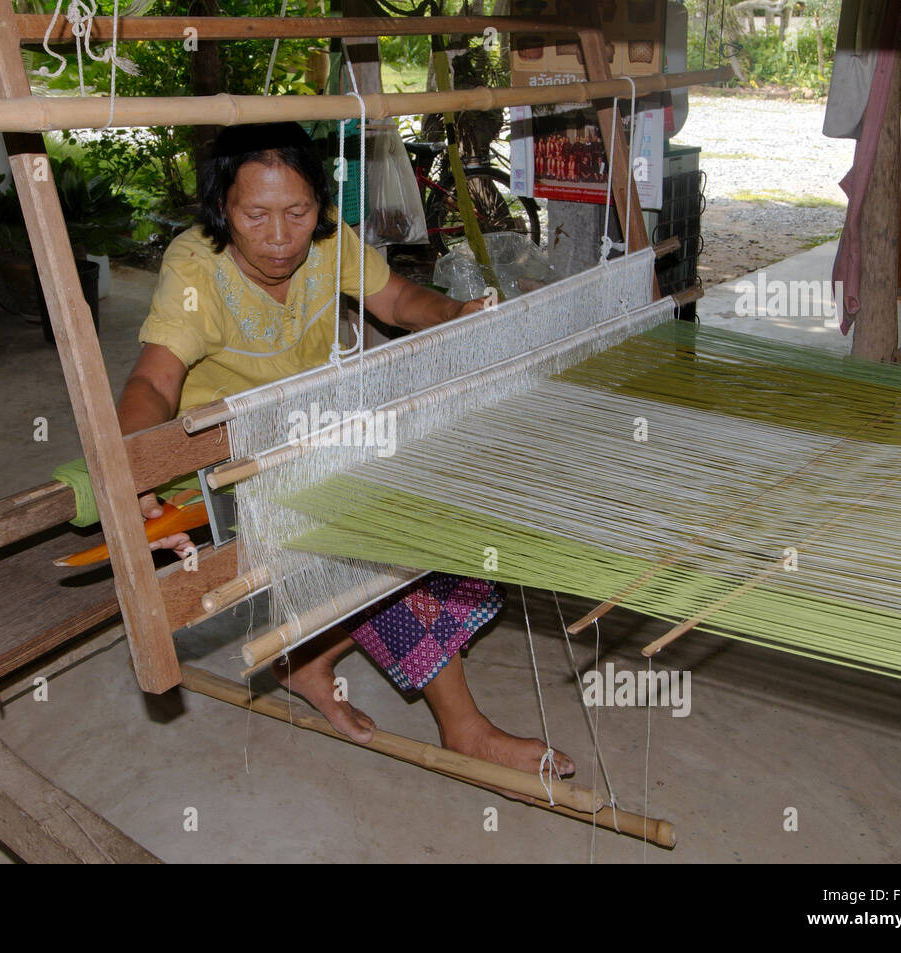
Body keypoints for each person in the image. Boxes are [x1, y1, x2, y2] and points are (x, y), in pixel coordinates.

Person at [116, 122, 575, 781]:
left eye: (298, 212)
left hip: (313, 431)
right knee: (378, 531)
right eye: (256, 215)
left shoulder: (330, 239)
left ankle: (306, 657)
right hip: (232, 467)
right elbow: (151, 382)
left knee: (458, 500)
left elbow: (397, 298)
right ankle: (463, 727)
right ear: (222, 208)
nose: (280, 237)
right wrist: (137, 463)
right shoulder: (197, 268)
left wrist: (459, 318)